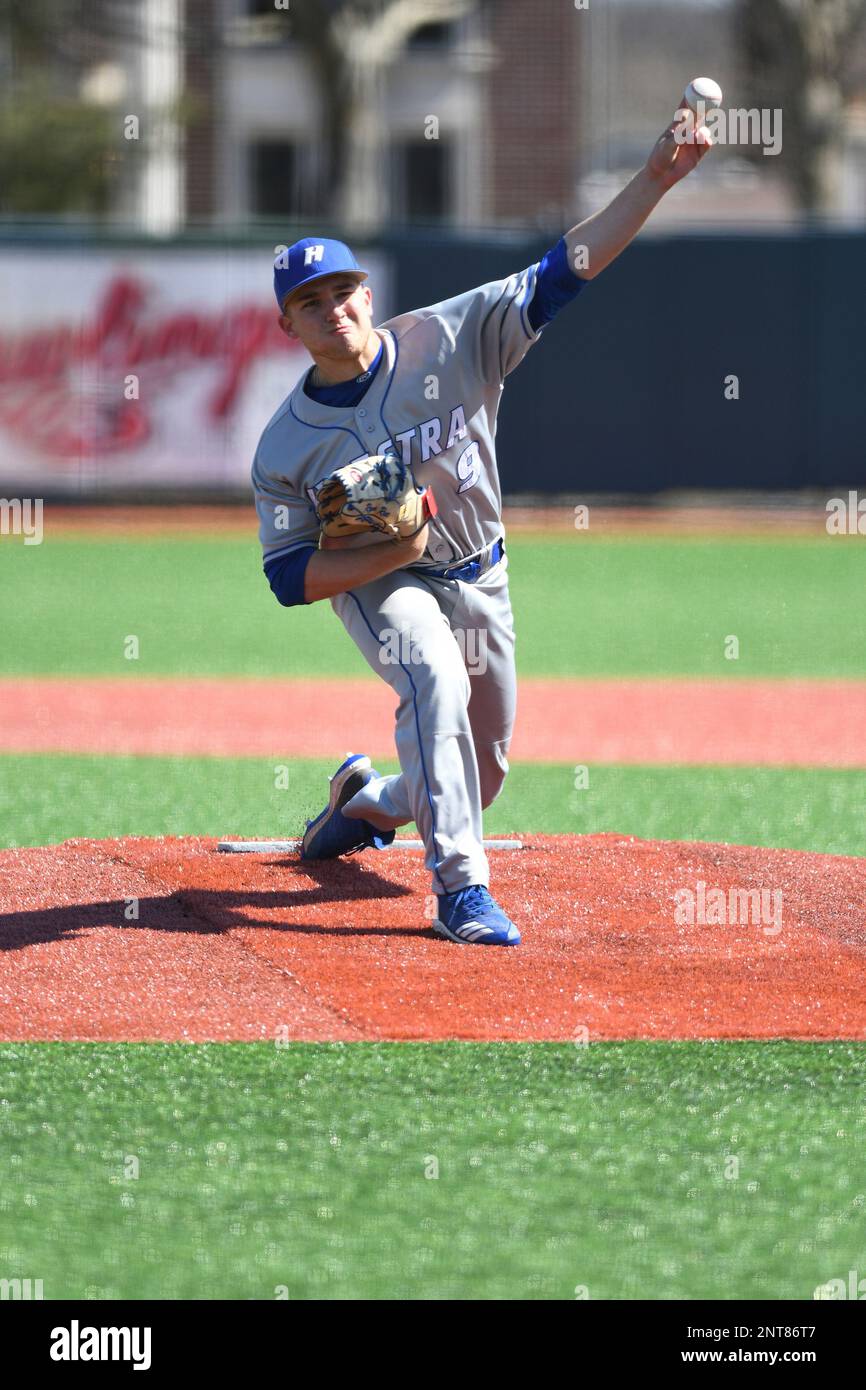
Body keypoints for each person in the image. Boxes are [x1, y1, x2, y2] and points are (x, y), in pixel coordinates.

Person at [251, 104, 713, 947]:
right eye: (309, 302)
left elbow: (564, 272)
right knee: (432, 680)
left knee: (482, 771)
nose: (334, 311)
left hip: (483, 569)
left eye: (343, 291)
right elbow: (288, 578)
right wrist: (394, 545)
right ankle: (462, 891)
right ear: (288, 324)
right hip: (380, 582)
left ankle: (365, 803)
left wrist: (653, 179)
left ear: (368, 292)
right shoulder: (284, 446)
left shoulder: (451, 336)